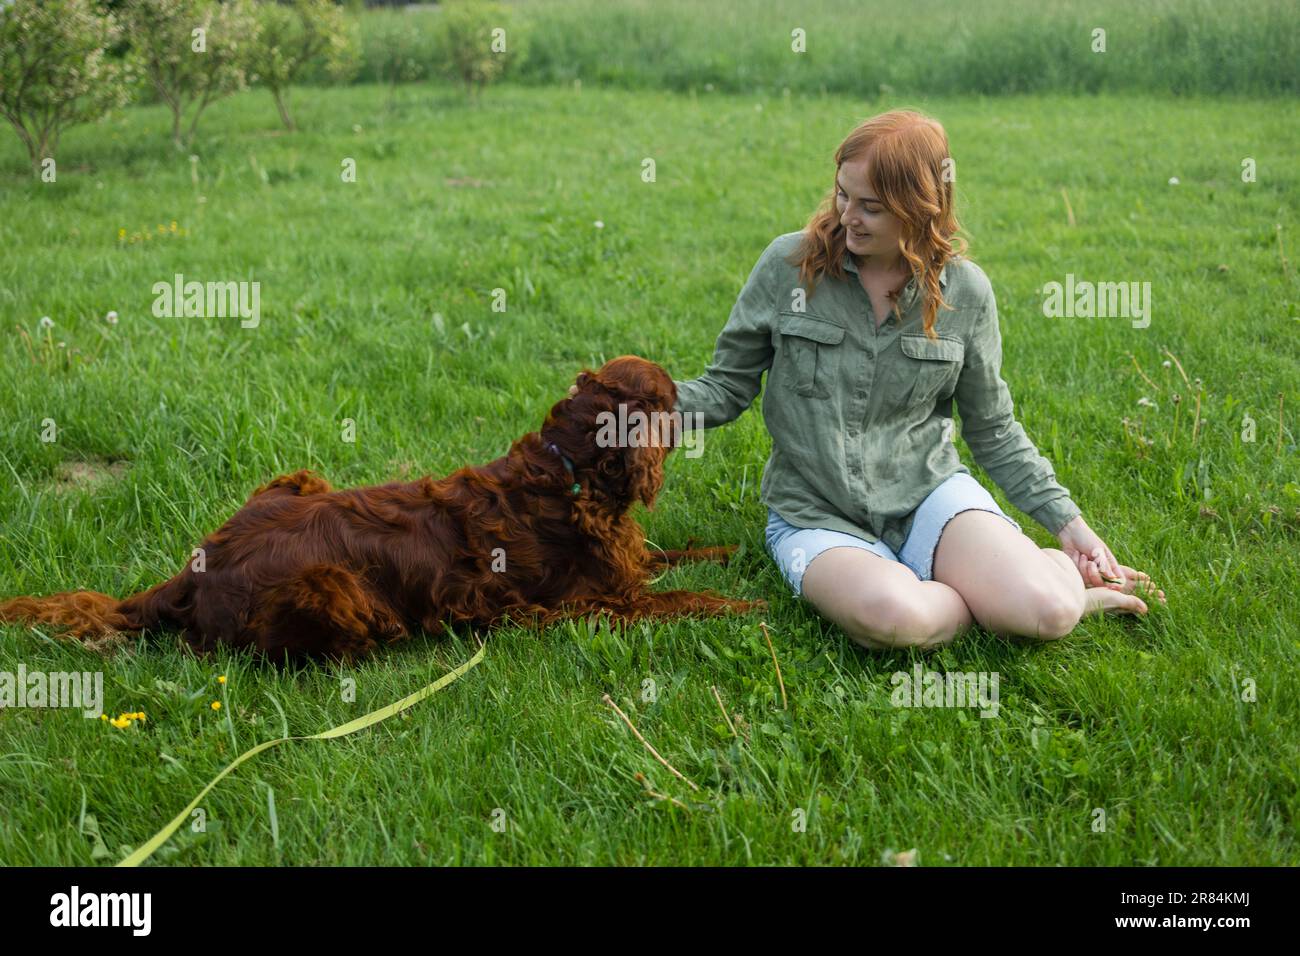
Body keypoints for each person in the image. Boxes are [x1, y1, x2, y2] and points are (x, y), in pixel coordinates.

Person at [664, 109, 1163, 651]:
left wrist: (1069, 525)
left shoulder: (965, 293)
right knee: (892, 618)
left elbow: (993, 430)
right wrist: (627, 411)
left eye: (871, 207)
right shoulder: (789, 265)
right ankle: (987, 598)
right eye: (842, 195)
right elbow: (725, 387)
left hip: (928, 495)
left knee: (1048, 612)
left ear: (920, 206)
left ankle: (1054, 583)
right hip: (816, 513)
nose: (848, 217)